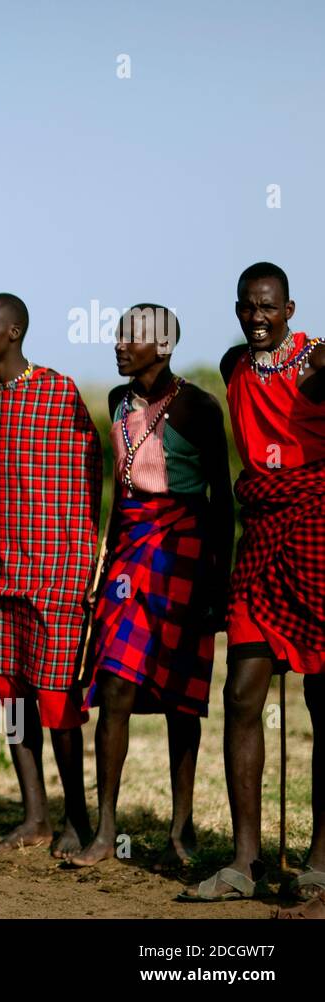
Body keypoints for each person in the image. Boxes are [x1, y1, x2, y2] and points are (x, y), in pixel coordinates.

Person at [68, 306, 233, 868]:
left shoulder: (199, 406)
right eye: (118, 334)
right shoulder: (118, 402)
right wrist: (102, 569)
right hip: (129, 552)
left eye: (132, 338)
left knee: (181, 697)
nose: (118, 344)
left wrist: (220, 585)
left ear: (162, 347)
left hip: (184, 552)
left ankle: (181, 832)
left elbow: (221, 504)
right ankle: (106, 828)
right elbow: (121, 492)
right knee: (114, 684)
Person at [182, 263, 325, 908]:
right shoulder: (234, 364)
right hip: (261, 532)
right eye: (247, 306)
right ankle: (244, 860)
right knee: (242, 693)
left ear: (290, 308)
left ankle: (320, 862)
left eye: (268, 307)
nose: (257, 316)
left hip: (318, 528)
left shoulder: (317, 363)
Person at [0, 293, 100, 857]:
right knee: (14, 700)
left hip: (54, 574)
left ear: (12, 332)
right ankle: (35, 816)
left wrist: (82, 561)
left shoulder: (57, 391)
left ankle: (78, 819)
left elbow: (89, 470)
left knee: (58, 701)